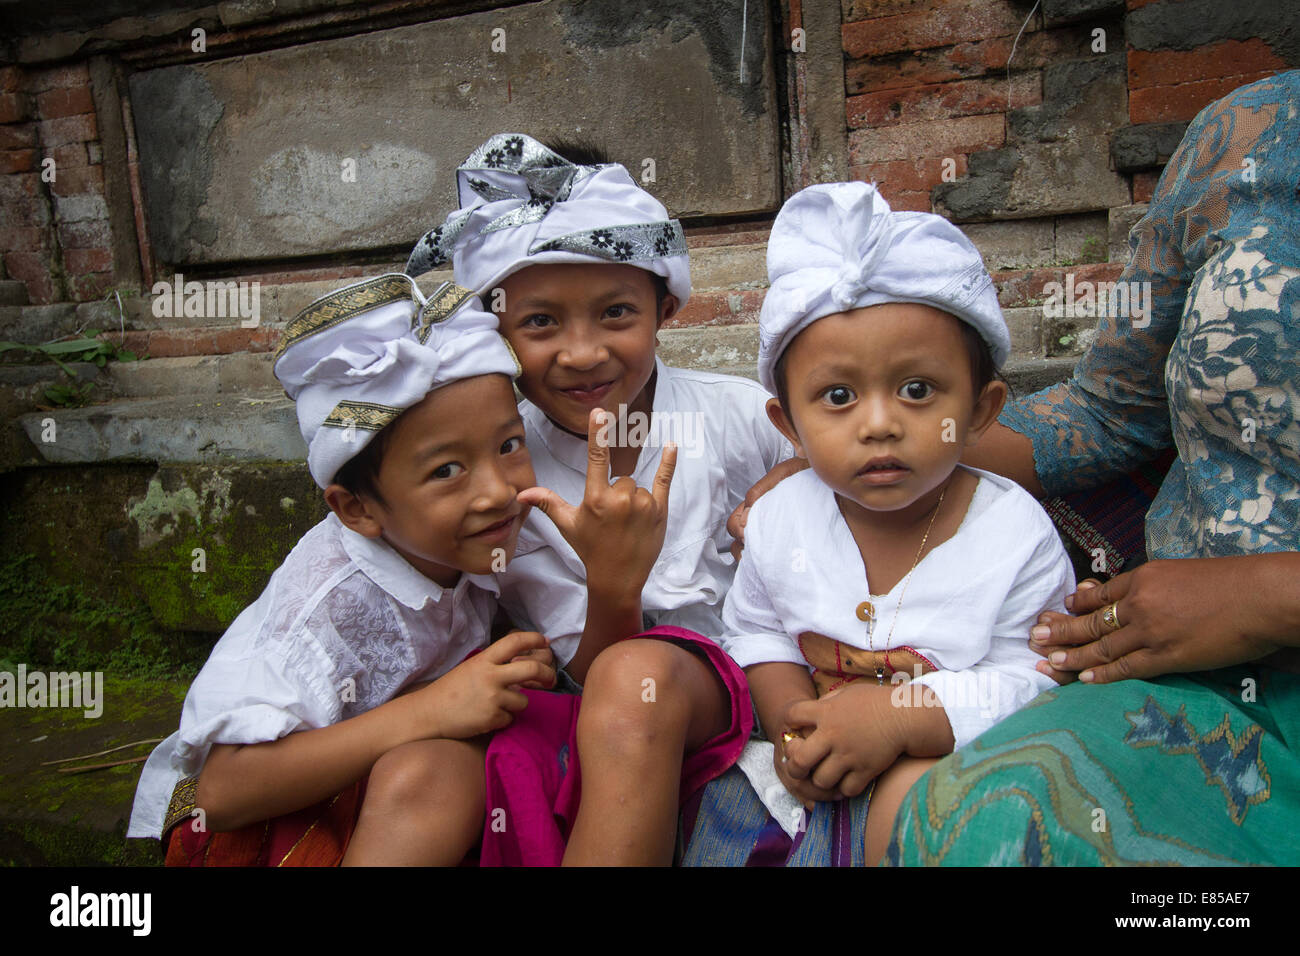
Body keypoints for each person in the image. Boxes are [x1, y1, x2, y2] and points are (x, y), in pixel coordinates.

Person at [887, 71, 1300, 865]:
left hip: (1200, 626)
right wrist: (855, 453)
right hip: (1200, 684)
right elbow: (1108, 410)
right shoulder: (1245, 133)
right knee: (996, 825)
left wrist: (1274, 596)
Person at [404, 134, 793, 864]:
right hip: (611, 695)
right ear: (495, 333)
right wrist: (614, 583)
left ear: (664, 306)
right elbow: (588, 672)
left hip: (746, 678)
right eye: (540, 323)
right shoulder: (503, 473)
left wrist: (793, 479)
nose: (582, 354)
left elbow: (845, 467)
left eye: (616, 313)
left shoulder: (738, 414)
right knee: (631, 677)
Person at [683, 182, 1069, 866]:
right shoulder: (778, 520)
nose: (880, 423)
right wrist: (792, 723)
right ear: (789, 425)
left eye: (918, 391)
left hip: (951, 765)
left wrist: (896, 717)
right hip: (803, 771)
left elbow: (1035, 673)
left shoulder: (1015, 534)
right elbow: (757, 628)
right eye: (838, 397)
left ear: (981, 411)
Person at [126, 273, 555, 865]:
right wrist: (433, 709)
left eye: (509, 446)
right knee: (439, 774)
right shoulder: (332, 605)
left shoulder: (479, 537)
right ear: (357, 509)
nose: (497, 491)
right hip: (263, 826)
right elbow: (219, 794)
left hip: (375, 785)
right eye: (445, 471)